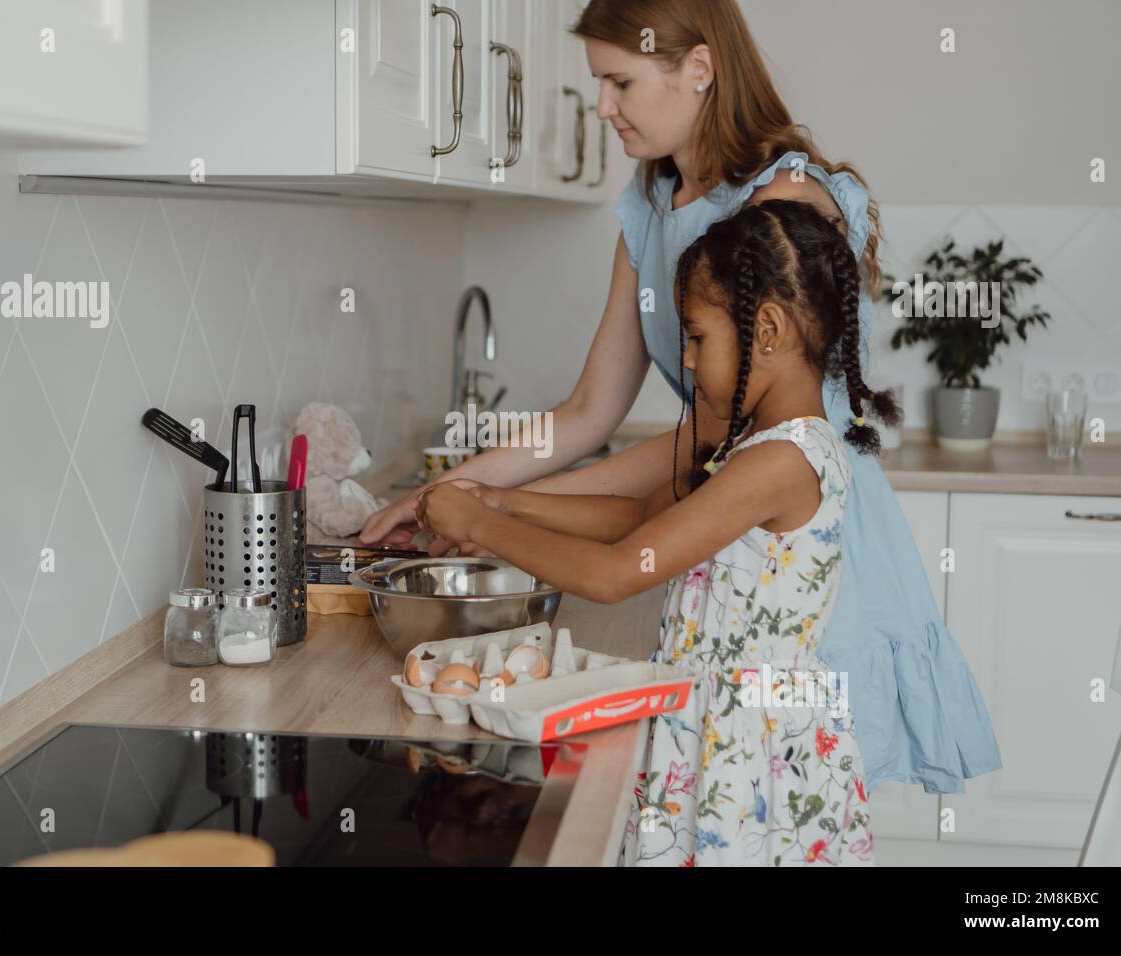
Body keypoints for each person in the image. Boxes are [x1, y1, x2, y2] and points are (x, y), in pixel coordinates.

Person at [361, 0, 1000, 797]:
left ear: (698, 68)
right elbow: (589, 411)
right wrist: (447, 494)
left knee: (795, 796)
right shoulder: (652, 201)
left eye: (619, 81)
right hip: (723, 546)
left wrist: (496, 510)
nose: (603, 107)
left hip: (809, 560)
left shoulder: (784, 203)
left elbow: (705, 443)